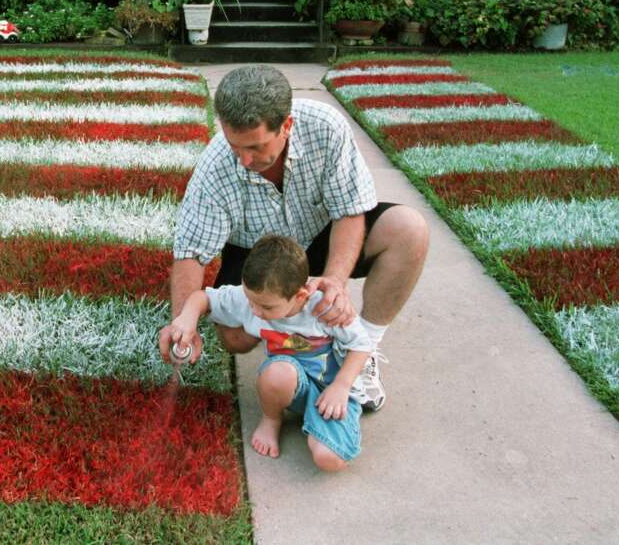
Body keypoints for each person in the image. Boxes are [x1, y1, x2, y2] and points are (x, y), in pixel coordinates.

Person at [158, 64, 428, 411]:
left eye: (255, 147)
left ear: (286, 125)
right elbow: (191, 253)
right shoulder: (217, 166)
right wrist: (182, 322)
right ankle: (294, 344)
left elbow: (350, 208)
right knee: (234, 336)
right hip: (257, 252)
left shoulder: (326, 128)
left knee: (410, 229)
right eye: (234, 145)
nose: (243, 160)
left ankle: (361, 350)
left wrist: (334, 281)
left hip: (319, 236)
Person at [166, 235, 374, 471]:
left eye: (266, 307)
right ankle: (272, 419)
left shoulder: (324, 307)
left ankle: (321, 421)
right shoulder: (253, 299)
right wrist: (187, 318)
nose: (255, 311)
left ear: (300, 296)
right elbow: (202, 298)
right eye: (251, 301)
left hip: (332, 390)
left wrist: (342, 386)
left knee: (328, 459)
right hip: (289, 381)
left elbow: (361, 345)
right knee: (278, 372)